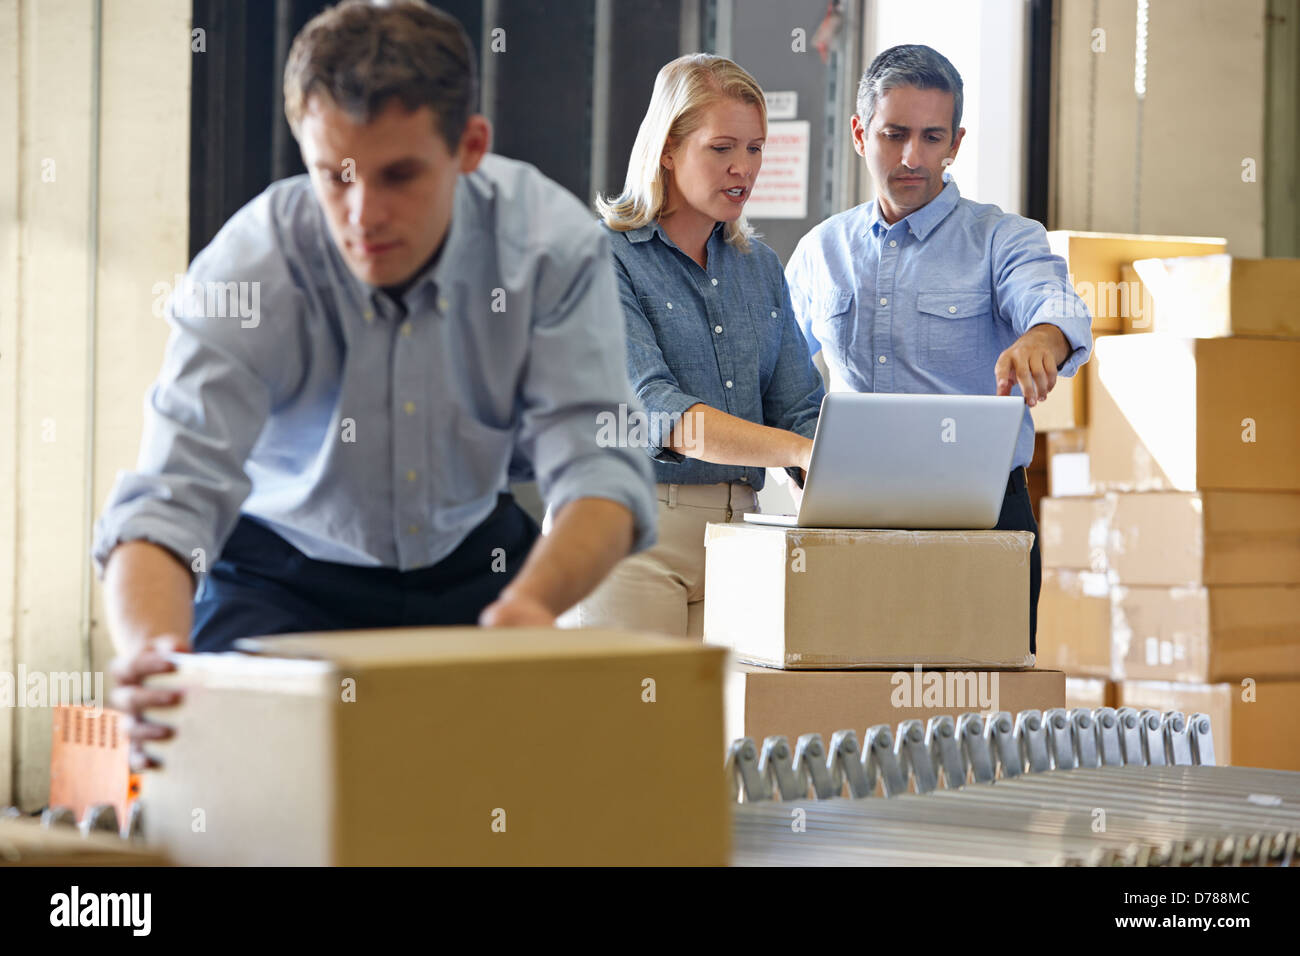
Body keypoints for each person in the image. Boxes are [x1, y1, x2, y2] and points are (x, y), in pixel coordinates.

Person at [93, 0, 656, 767]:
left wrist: (531, 606)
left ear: (470, 146)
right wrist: (154, 655)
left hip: (475, 571)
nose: (364, 215)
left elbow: (601, 473)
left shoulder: (549, 248)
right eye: (334, 177)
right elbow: (168, 496)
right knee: (223, 791)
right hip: (277, 574)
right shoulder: (251, 267)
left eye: (399, 176)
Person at [785, 44, 1093, 655]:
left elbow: (1053, 302)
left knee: (981, 716)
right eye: (894, 134)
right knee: (854, 706)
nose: (911, 158)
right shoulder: (821, 252)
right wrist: (796, 453)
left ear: (956, 142)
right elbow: (778, 375)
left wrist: (1042, 337)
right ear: (858, 133)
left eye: (932, 137)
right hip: (852, 517)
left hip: (982, 514)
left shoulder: (1003, 238)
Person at [558, 54, 825, 638]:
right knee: (637, 727)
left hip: (740, 537)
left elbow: (799, 409)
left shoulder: (761, 269)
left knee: (724, 729)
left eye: (755, 149)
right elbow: (659, 412)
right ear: (668, 150)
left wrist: (846, 462)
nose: (743, 169)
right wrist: (800, 453)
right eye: (722, 147)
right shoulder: (602, 258)